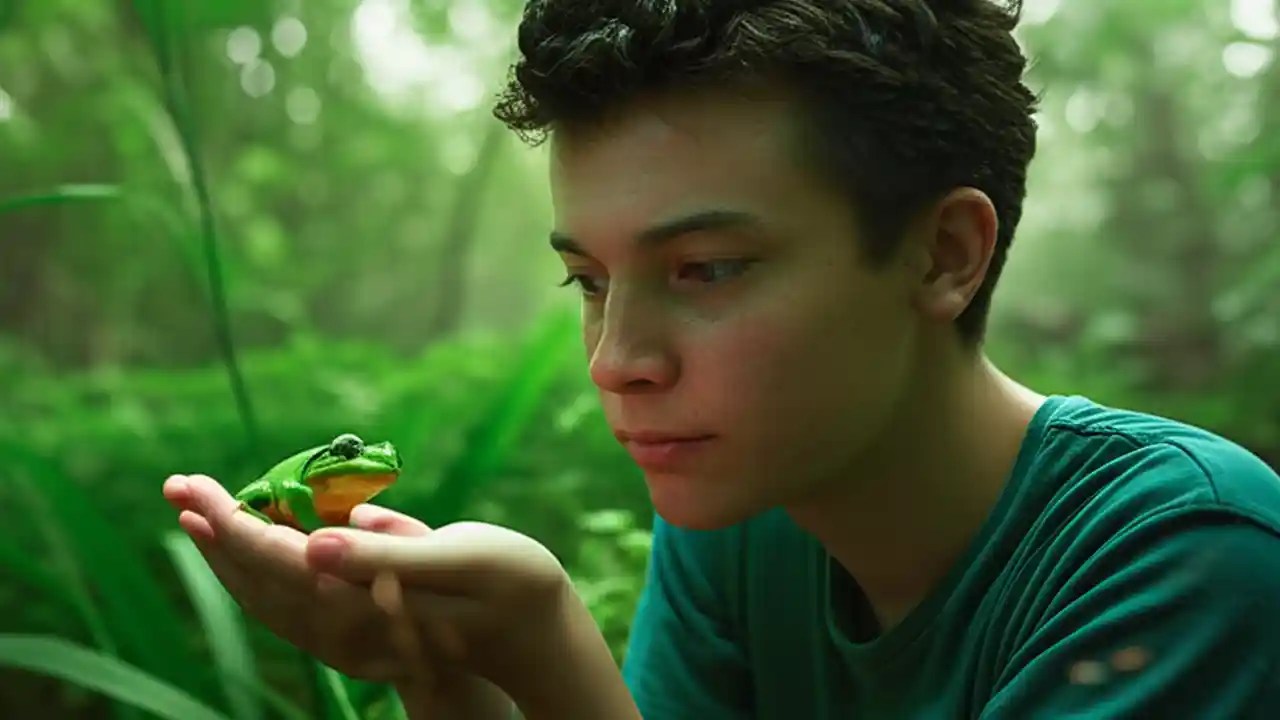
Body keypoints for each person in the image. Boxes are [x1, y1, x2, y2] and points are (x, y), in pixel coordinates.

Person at [163, 0, 1280, 717]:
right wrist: (444, 671)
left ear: (942, 255)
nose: (615, 361)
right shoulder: (749, 505)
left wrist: (553, 651)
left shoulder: (1184, 562)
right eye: (588, 282)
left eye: (705, 269)